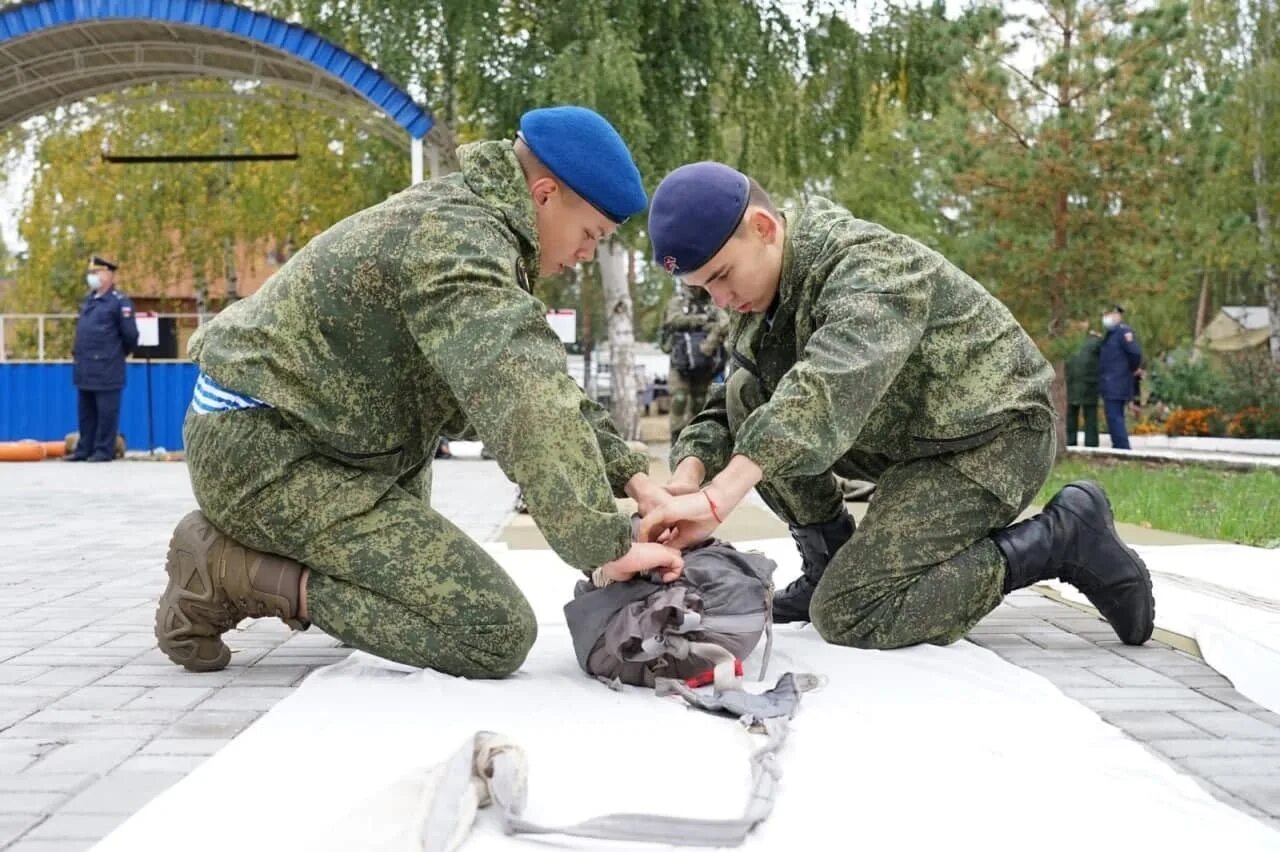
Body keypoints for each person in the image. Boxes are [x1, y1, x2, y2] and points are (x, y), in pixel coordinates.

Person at [155, 106, 683, 679]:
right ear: (546, 193)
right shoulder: (457, 246)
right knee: (491, 632)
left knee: (420, 596)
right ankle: (227, 570)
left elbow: (544, 381)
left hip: (329, 440)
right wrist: (604, 546)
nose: (585, 254)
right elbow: (524, 397)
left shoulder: (474, 223)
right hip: (265, 449)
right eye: (591, 235)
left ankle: (276, 561)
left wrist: (634, 482)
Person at [637, 161, 1154, 649]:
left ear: (764, 227)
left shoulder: (867, 263)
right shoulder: (762, 293)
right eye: (706, 289)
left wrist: (715, 501)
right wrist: (687, 477)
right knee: (748, 395)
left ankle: (1062, 538)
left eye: (723, 276)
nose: (721, 300)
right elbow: (729, 402)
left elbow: (830, 385)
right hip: (911, 439)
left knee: (852, 611)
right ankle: (828, 562)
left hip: (990, 440)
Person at [66, 255, 137, 462]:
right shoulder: (90, 300)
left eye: (96, 272)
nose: (92, 277)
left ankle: (103, 450)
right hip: (85, 367)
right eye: (91, 273)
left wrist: (115, 354)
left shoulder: (119, 302)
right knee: (86, 413)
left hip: (108, 367)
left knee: (106, 413)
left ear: (108, 275)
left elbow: (130, 335)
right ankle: (84, 449)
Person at [659, 283, 728, 442]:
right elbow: (673, 321)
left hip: (706, 365)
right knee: (679, 398)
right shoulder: (678, 302)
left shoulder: (712, 303)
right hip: (681, 362)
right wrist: (701, 321)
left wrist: (709, 342)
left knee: (699, 402)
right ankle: (676, 438)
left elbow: (725, 323)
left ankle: (692, 438)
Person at [1099, 304, 1143, 450]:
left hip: (1117, 382)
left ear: (1117, 315)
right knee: (1113, 416)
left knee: (1115, 416)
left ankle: (1123, 448)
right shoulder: (1110, 334)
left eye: (1109, 314)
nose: (1106, 317)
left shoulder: (1123, 332)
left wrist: (1130, 369)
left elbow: (1135, 353)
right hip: (1110, 382)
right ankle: (1118, 446)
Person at [1065, 322, 1103, 447]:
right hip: (1071, 383)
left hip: (1089, 384)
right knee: (1071, 415)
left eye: (1083, 321)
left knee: (1090, 416)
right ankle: (1070, 442)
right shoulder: (1066, 341)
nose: (1080, 324)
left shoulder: (1096, 341)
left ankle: (1091, 444)